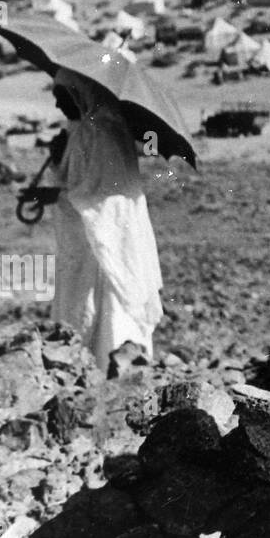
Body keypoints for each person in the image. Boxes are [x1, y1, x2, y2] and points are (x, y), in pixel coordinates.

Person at [48, 67, 165, 373]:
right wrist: (56, 160)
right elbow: (74, 182)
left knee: (111, 315)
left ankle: (114, 375)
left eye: (61, 97)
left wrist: (53, 196)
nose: (57, 106)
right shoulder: (80, 131)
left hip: (108, 246)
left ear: (78, 95)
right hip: (84, 246)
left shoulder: (102, 132)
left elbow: (106, 200)